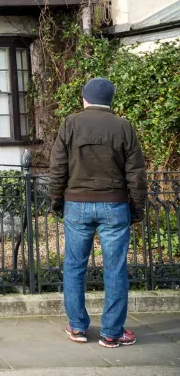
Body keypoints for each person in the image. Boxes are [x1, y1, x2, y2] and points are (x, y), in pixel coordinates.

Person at [50, 77, 146, 348]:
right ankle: (112, 333)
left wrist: (57, 200)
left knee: (74, 266)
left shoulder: (71, 123)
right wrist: (137, 208)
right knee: (115, 269)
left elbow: (58, 166)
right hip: (114, 205)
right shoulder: (123, 127)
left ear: (85, 98)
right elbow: (136, 173)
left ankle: (78, 327)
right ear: (110, 100)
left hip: (77, 204)